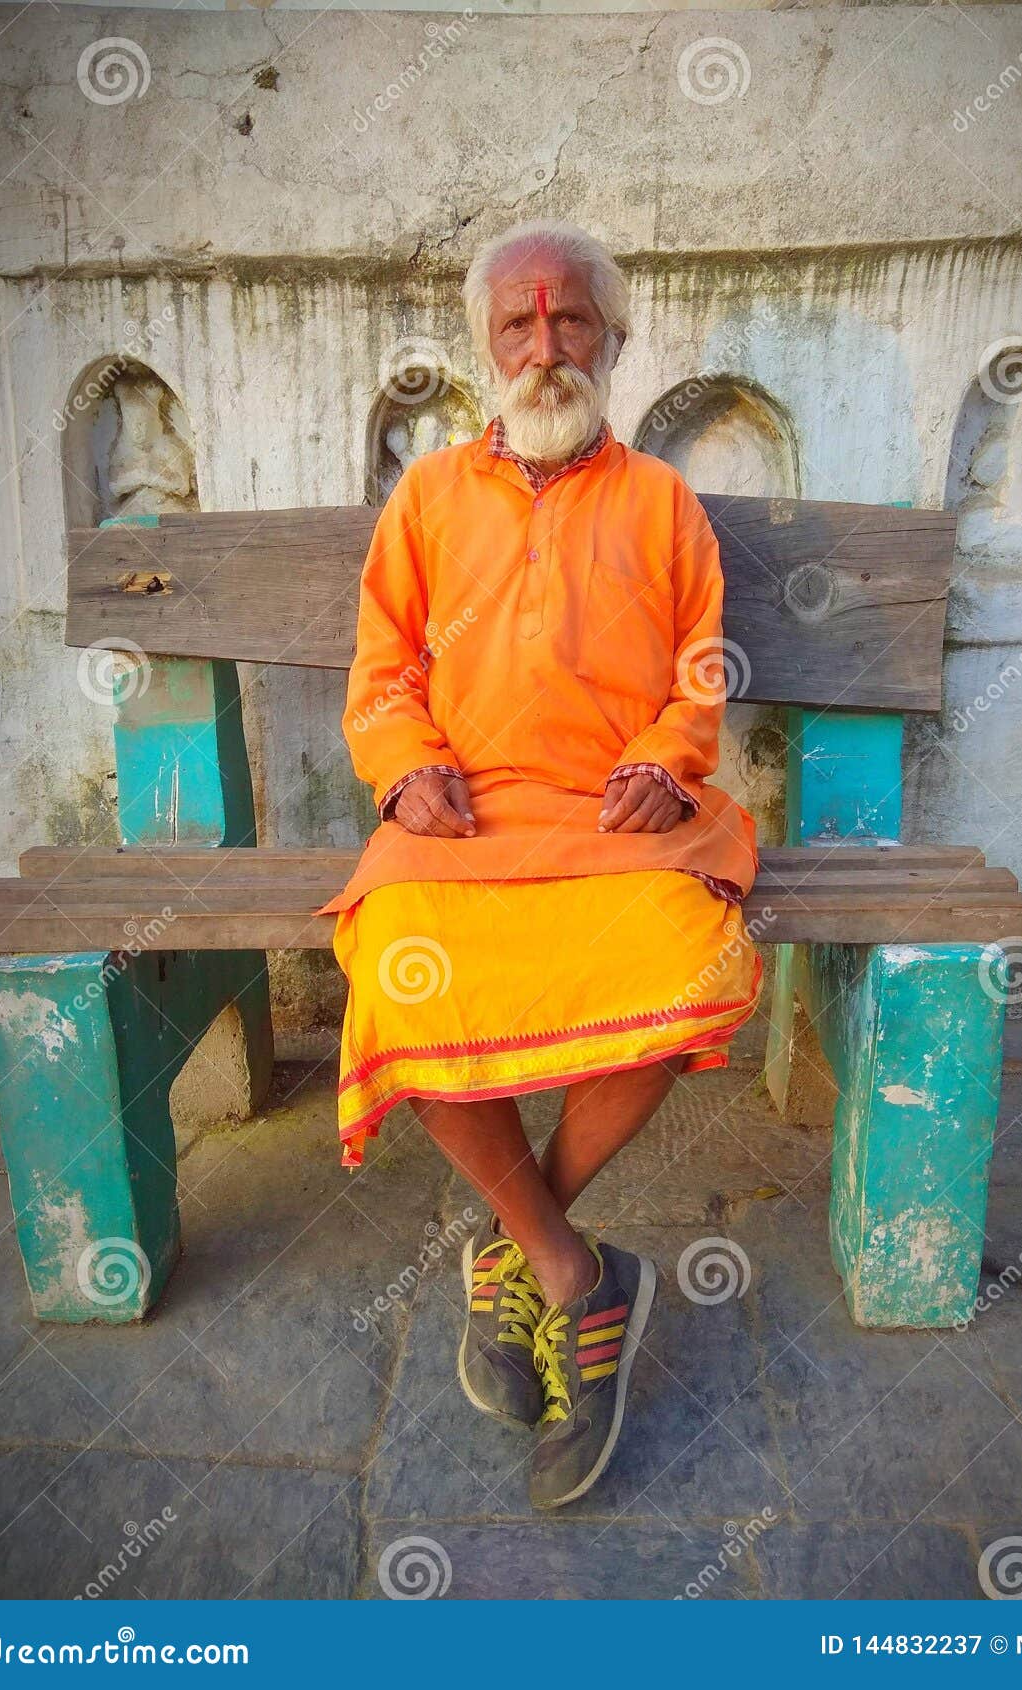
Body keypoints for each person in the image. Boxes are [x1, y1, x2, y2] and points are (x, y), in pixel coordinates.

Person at [319, 219, 761, 1509]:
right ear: (486, 346)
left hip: (621, 817)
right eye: (520, 324)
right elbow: (382, 667)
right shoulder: (429, 496)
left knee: (701, 958)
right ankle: (575, 1272)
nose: (546, 347)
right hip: (463, 822)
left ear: (612, 342)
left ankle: (517, 1250)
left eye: (572, 322)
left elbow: (701, 670)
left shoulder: (662, 503)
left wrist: (673, 760)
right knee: (400, 981)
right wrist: (404, 764)